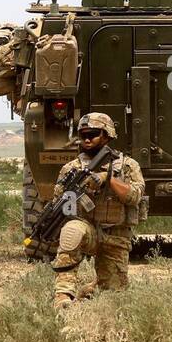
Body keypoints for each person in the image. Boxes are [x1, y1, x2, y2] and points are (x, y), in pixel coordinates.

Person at [50, 113, 146, 310]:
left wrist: (108, 178)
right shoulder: (72, 168)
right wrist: (78, 191)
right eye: (83, 134)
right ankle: (63, 294)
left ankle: (92, 288)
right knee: (71, 231)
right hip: (87, 231)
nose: (86, 139)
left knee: (114, 295)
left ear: (107, 135)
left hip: (116, 235)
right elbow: (61, 206)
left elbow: (135, 196)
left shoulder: (128, 166)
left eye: (92, 134)